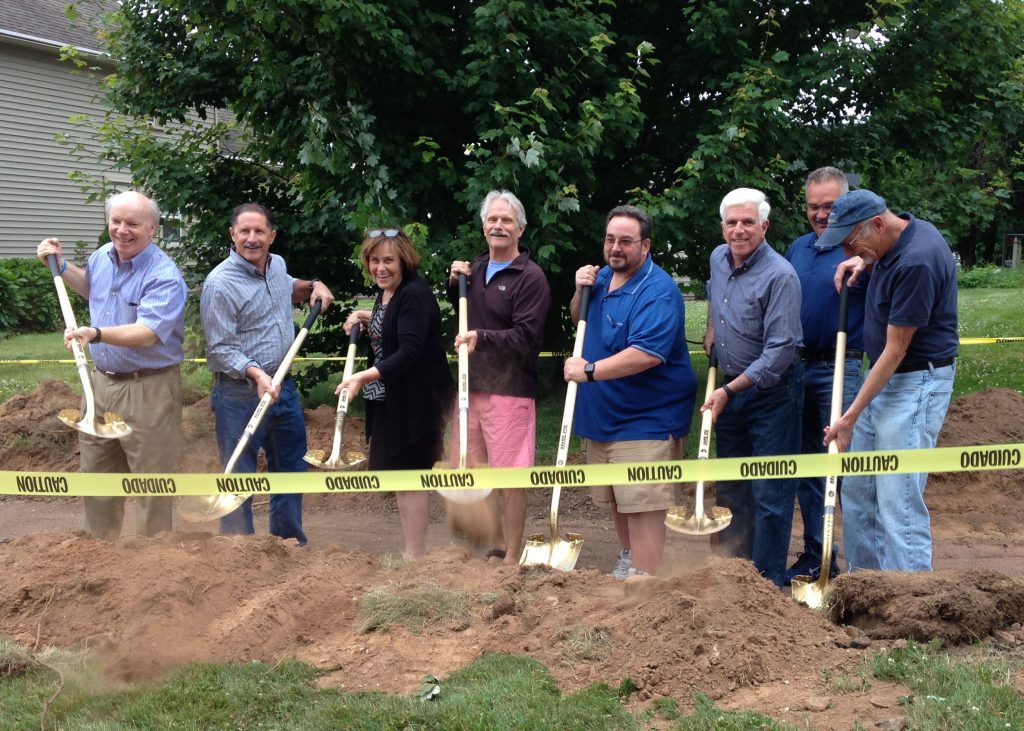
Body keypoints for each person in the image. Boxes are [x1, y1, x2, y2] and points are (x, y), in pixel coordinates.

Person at [36, 191, 187, 539]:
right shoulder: (103, 256)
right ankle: (99, 552)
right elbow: (94, 290)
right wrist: (59, 264)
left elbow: (148, 332)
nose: (122, 230)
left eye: (132, 224)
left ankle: (155, 556)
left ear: (152, 228)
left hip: (148, 389)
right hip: (100, 385)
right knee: (97, 474)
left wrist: (96, 333)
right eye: (116, 221)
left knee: (152, 480)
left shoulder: (163, 275)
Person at [821, 189, 958, 572]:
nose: (847, 251)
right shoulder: (893, 239)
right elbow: (878, 255)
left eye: (852, 242)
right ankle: (866, 590)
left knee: (898, 501)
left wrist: (848, 417)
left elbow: (896, 350)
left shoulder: (918, 261)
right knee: (860, 491)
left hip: (916, 383)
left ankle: (911, 606)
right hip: (884, 378)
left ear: (878, 223)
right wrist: (863, 261)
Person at [565, 205, 697, 577]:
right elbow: (580, 319)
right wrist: (580, 291)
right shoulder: (603, 278)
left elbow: (646, 355)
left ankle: (647, 581)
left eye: (626, 240)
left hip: (645, 420)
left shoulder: (658, 290)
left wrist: (588, 371)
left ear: (646, 245)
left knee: (642, 504)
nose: (616, 247)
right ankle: (629, 561)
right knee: (619, 502)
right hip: (603, 418)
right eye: (610, 239)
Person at [200, 203, 334, 545]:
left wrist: (313, 285)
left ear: (271, 235)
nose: (252, 238)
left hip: (283, 388)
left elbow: (288, 286)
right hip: (239, 393)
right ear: (232, 235)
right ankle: (238, 549)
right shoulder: (220, 284)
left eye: (259, 231)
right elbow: (220, 348)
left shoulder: (277, 266)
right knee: (238, 474)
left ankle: (287, 543)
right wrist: (256, 374)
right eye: (244, 231)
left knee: (291, 467)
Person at [703, 188, 804, 588]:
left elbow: (781, 350)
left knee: (770, 495)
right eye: (732, 222)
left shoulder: (780, 275)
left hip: (772, 395)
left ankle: (767, 587)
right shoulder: (717, 257)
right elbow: (715, 292)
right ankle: (732, 579)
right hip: (731, 389)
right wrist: (713, 327)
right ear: (723, 225)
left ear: (765, 226)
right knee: (730, 491)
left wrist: (731, 392)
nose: (739, 230)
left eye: (748, 222)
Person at [447, 190, 551, 564]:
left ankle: (513, 554)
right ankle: (493, 544)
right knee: (474, 470)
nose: (498, 226)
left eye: (507, 220)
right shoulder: (472, 271)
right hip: (469, 387)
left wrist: (483, 339)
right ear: (483, 226)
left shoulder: (530, 277)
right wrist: (454, 282)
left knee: (510, 476)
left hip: (509, 391)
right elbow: (466, 313)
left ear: (520, 229)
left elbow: (527, 337)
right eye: (493, 219)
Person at [338, 228, 454, 558]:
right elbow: (392, 325)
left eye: (388, 259)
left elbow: (410, 350)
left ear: (404, 259)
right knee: (400, 473)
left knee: (411, 472)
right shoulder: (388, 293)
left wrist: (363, 376)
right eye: (374, 260)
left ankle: (415, 556)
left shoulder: (414, 293)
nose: (380, 267)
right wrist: (366, 316)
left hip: (417, 402)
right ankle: (411, 552)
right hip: (392, 399)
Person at [782, 167, 867, 583]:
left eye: (830, 206)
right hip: (798, 366)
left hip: (842, 365)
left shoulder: (862, 247)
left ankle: (862, 563)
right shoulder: (797, 249)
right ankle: (820, 555)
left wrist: (864, 262)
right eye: (814, 206)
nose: (821, 214)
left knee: (842, 465)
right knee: (807, 467)